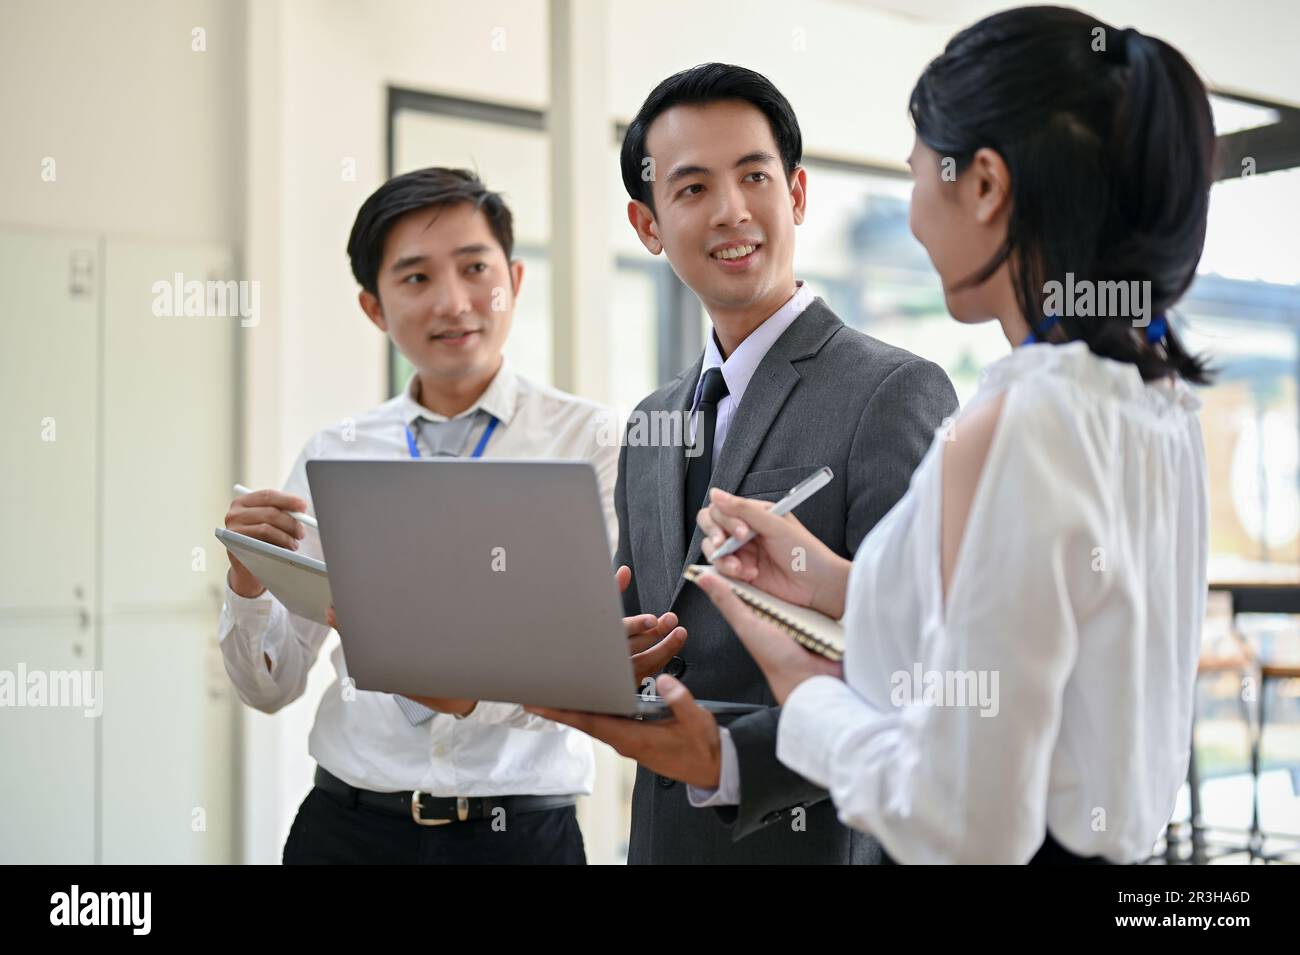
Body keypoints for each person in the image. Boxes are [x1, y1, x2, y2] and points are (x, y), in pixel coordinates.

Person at [694, 7, 1216, 864]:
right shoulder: (1157, 404)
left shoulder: (1024, 421)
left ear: (982, 184)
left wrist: (799, 687)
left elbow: (968, 825)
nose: (910, 216)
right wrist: (817, 575)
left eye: (915, 176)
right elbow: (1014, 649)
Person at [527, 64, 958, 864]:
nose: (731, 210)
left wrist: (726, 761)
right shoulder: (652, 421)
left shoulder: (894, 392)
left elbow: (917, 661)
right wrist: (607, 657)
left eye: (754, 176)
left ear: (795, 194)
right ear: (648, 224)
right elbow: (654, 633)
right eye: (691, 188)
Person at [217, 167, 684, 864]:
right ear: (374, 307)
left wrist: (459, 690)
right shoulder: (338, 452)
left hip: (522, 837)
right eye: (415, 279)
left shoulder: (594, 442)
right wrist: (248, 584)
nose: (454, 302)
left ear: (515, 281)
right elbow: (270, 685)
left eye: (474, 268)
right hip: (347, 827)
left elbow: (599, 659)